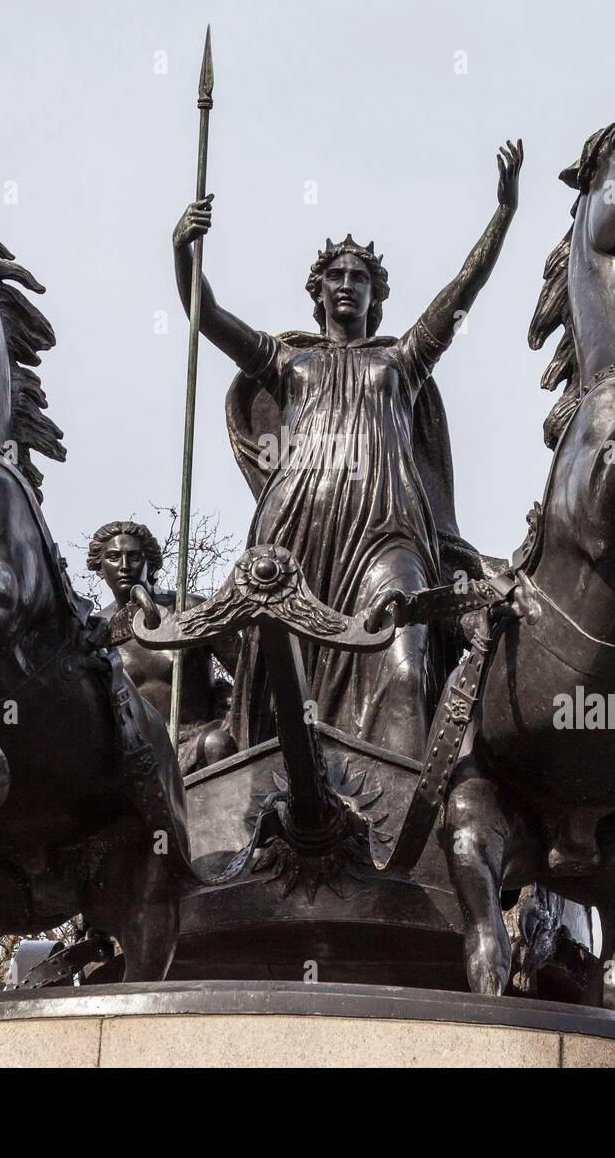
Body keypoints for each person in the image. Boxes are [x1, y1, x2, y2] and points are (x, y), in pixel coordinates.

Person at [171, 140, 522, 758]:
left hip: (387, 530)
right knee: (286, 687)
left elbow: (461, 292)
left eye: (360, 277)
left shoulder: (402, 360)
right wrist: (182, 251)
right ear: (318, 289)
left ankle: (404, 815)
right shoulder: (287, 359)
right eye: (335, 275)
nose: (346, 285)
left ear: (375, 294)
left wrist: (503, 213)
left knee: (406, 666)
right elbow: (208, 315)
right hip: (298, 530)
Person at [87, 520, 236, 773]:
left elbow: (247, 669)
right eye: (113, 557)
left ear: (151, 564)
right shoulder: (95, 633)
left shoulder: (187, 609)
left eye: (134, 557)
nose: (124, 566)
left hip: (199, 737)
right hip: (139, 753)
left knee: (216, 745)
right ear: (100, 568)